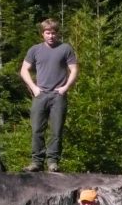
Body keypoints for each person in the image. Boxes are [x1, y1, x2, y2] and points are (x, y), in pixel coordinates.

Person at [20, 18, 79, 173]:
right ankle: (37, 162)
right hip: (40, 95)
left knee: (56, 130)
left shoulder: (65, 48)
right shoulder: (35, 50)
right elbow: (24, 70)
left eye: (53, 33)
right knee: (37, 129)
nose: (51, 36)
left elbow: (74, 69)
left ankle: (52, 162)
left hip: (58, 96)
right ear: (43, 34)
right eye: (48, 33)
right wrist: (34, 88)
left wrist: (66, 87)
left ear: (57, 33)